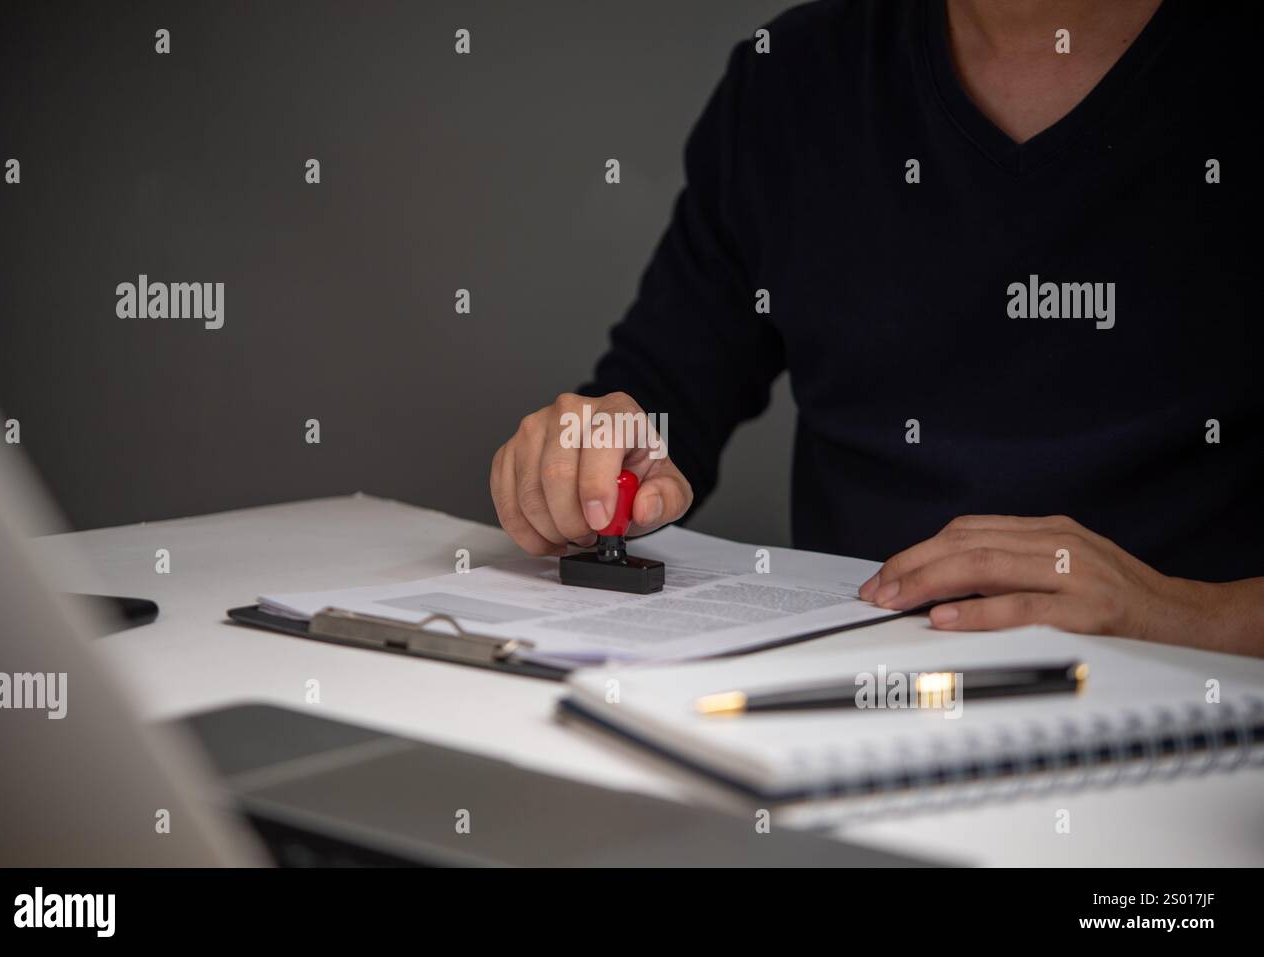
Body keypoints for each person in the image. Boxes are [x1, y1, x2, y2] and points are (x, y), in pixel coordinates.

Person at [489, 0, 1262, 655]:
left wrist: (1182, 613)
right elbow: (666, 393)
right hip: (844, 689)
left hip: (1185, 717)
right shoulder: (796, 77)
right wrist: (593, 450)